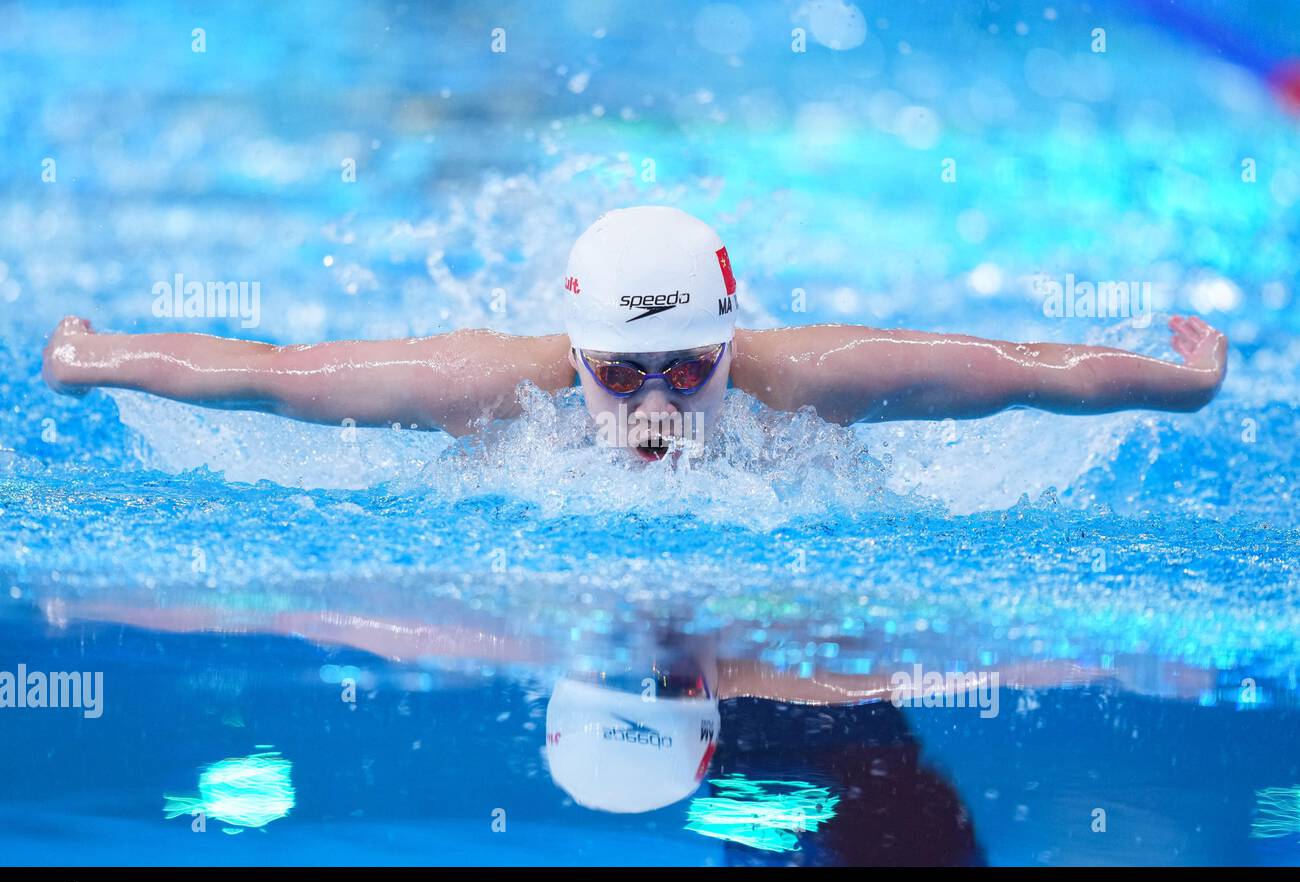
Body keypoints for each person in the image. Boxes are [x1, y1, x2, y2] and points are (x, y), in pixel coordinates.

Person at [41, 206, 1228, 462]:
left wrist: (1174, 385)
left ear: (732, 339)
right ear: (570, 357)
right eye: (616, 369)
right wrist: (91, 359)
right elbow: (262, 376)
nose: (655, 398)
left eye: (690, 362)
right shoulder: (479, 386)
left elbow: (1021, 371)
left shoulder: (805, 377)